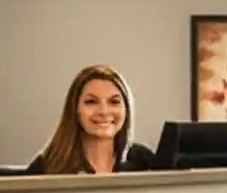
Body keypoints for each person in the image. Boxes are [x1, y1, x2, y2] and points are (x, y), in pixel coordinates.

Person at [26, 65, 155, 175]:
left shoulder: (143, 161)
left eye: (114, 102)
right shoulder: (47, 166)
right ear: (75, 109)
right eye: (91, 102)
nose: (104, 112)